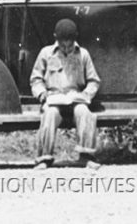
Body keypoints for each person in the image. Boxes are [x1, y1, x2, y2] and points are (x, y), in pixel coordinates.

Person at [29, 18, 102, 169]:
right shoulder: (46, 53)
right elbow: (36, 79)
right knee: (49, 114)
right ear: (56, 38)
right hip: (53, 99)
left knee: (84, 113)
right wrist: (42, 93)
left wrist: (86, 95)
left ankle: (86, 156)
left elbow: (94, 81)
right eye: (63, 44)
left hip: (75, 98)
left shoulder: (83, 54)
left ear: (75, 38)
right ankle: (44, 158)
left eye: (70, 44)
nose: (67, 47)